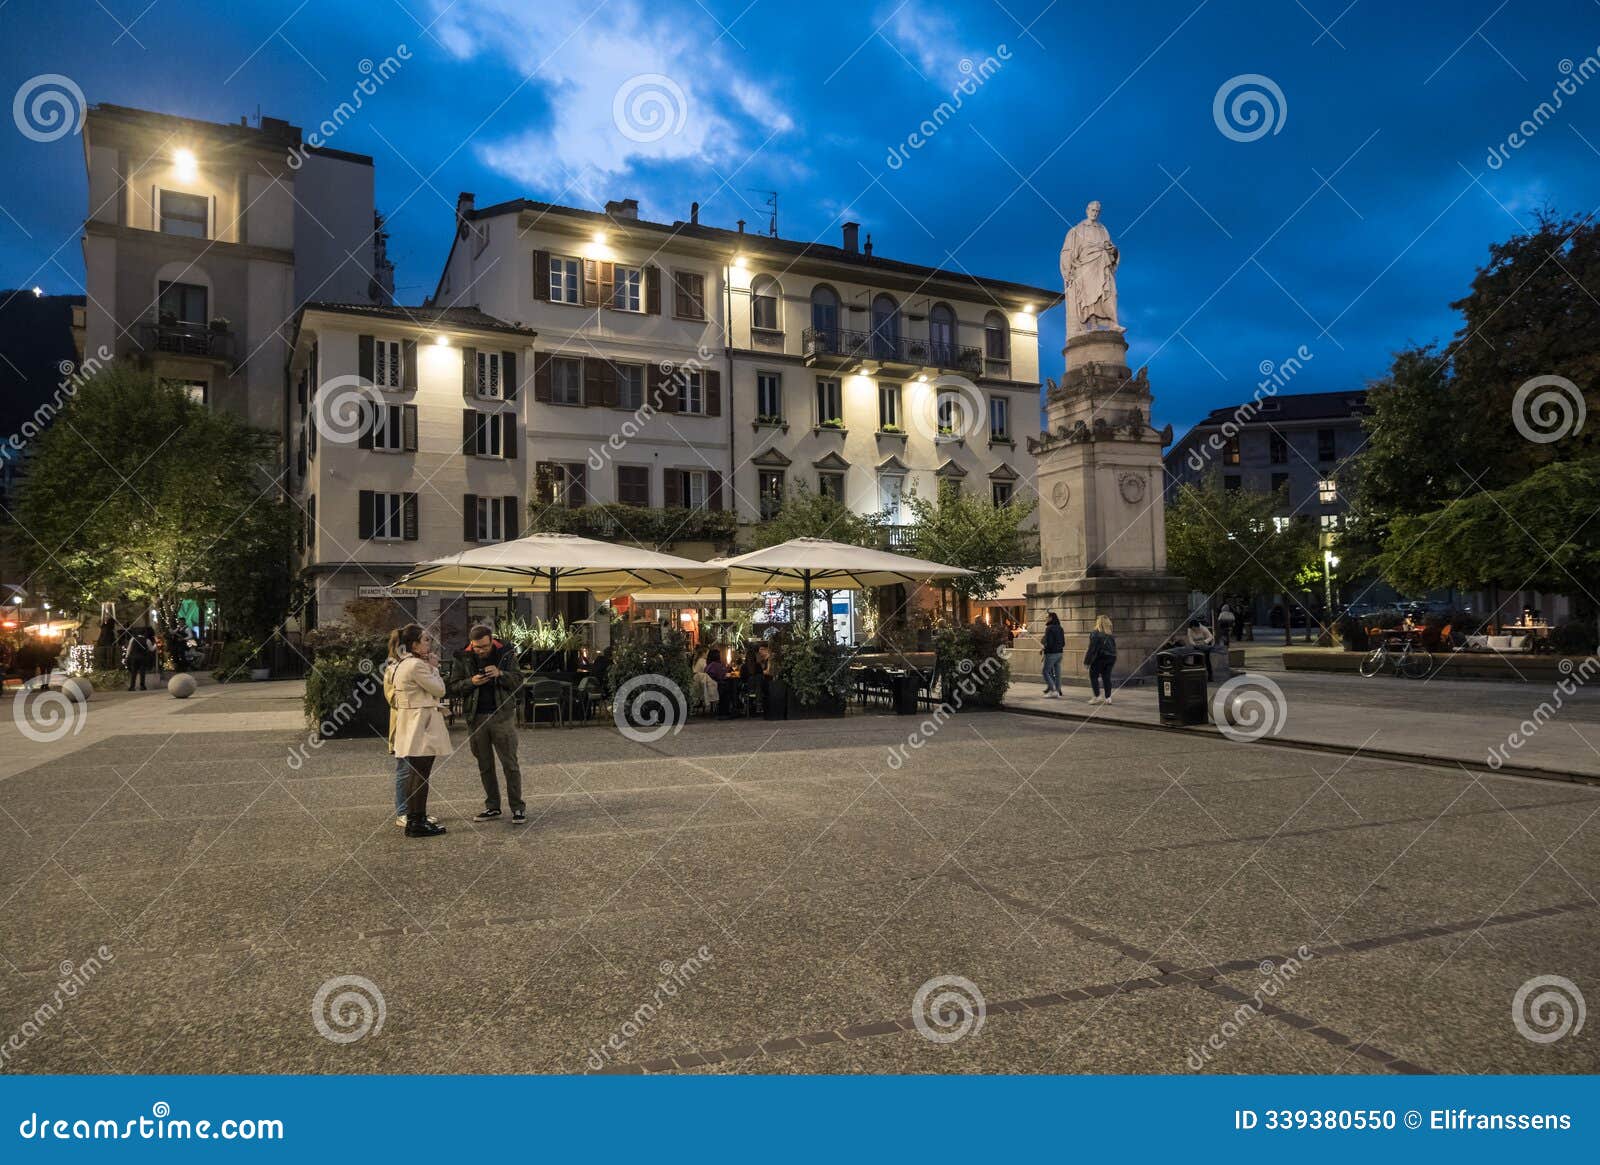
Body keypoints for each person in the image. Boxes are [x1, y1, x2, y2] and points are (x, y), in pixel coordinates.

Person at [448, 624, 525, 825]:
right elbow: (453, 686)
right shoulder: (462, 656)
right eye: (477, 647)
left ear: (492, 640)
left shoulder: (506, 653)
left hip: (502, 716)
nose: (481, 651)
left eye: (484, 646)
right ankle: (493, 807)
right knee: (485, 765)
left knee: (510, 764)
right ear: (471, 643)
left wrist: (500, 674)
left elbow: (518, 681)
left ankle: (517, 807)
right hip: (476, 717)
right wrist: (472, 682)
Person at [390, 624, 449, 839]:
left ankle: (415, 819)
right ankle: (417, 821)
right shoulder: (417, 665)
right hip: (421, 723)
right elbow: (440, 690)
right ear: (414, 645)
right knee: (421, 773)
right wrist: (434, 668)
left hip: (411, 721)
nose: (429, 643)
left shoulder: (402, 663)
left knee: (415, 772)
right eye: (425, 640)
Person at [1084, 615, 1116, 705]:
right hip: (1111, 658)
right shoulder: (1110, 635)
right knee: (1106, 677)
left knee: (1093, 676)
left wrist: (1087, 661)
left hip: (1099, 658)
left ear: (1098, 623)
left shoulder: (1095, 633)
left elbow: (1091, 649)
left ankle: (1097, 696)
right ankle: (1108, 698)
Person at [123, 625, 156, 691]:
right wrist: (156, 644)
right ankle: (142, 686)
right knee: (142, 672)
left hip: (134, 658)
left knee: (133, 672)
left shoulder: (133, 639)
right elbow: (151, 649)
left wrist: (126, 657)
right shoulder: (147, 640)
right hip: (143, 658)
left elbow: (129, 649)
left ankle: (132, 687)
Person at [1040, 612, 1065, 697]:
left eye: (1047, 617)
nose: (1045, 619)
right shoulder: (1060, 628)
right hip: (1060, 653)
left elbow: (1049, 643)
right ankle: (1057, 690)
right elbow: (1063, 643)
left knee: (1045, 671)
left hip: (1051, 653)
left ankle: (1053, 690)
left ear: (1051, 618)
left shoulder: (1049, 628)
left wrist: (1044, 648)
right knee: (1058, 673)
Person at [691, 647, 718, 713]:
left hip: (696, 682)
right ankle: (715, 702)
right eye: (707, 653)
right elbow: (707, 670)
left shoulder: (696, 660)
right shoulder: (702, 660)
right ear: (703, 653)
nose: (707, 655)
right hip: (701, 681)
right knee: (715, 683)